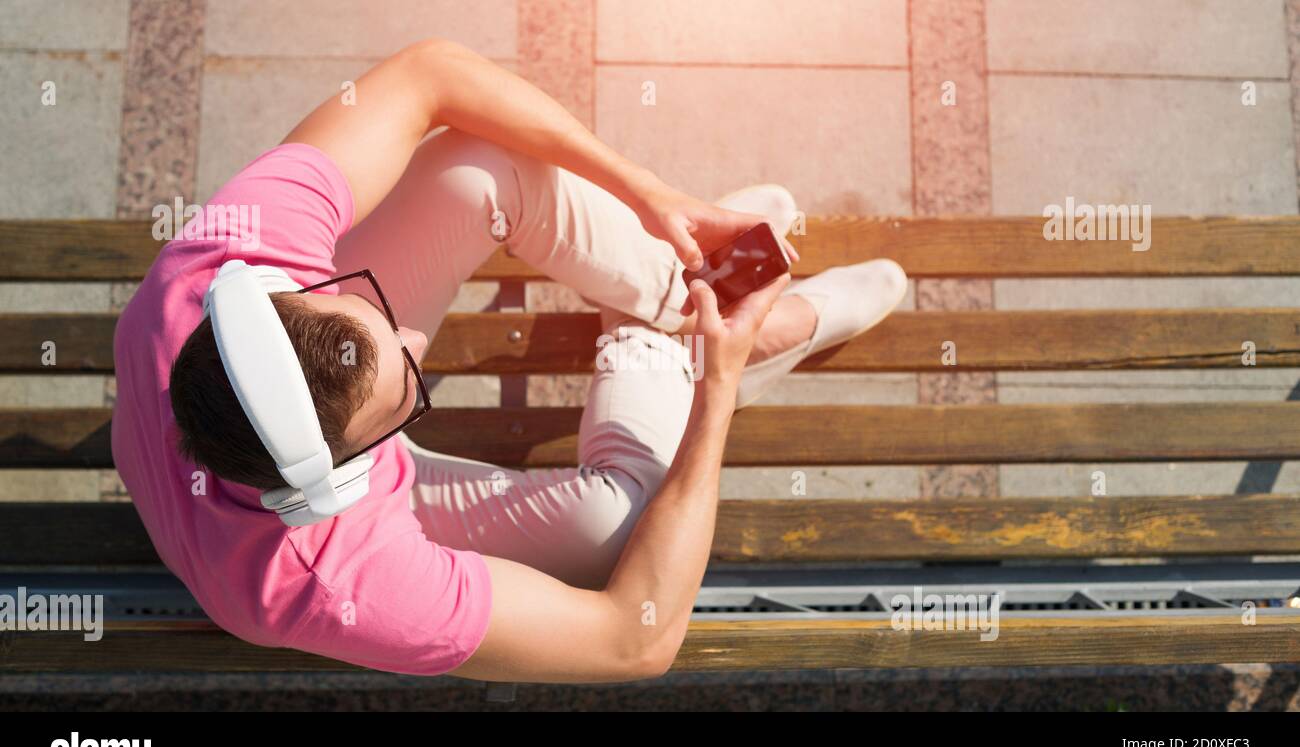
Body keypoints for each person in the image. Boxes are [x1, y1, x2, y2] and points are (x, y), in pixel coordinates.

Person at [112, 38, 907, 682]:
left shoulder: (221, 263)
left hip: (283, 436)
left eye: (366, 304)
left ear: (284, 294)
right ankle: (686, 340)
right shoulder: (331, 578)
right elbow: (633, 640)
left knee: (477, 168)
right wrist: (720, 392)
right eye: (410, 384)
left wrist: (649, 194)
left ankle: (678, 292)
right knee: (620, 524)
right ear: (351, 471)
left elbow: (428, 74)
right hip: (316, 516)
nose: (413, 335)